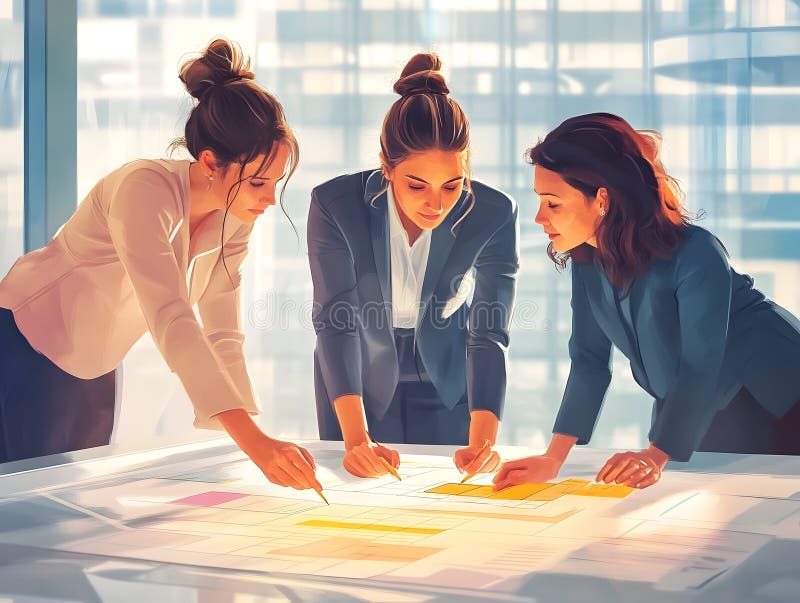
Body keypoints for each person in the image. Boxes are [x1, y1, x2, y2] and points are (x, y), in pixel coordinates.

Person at [0, 39, 321, 493]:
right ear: (210, 162)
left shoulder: (234, 214)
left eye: (275, 182)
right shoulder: (144, 189)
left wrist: (250, 438)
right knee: (25, 503)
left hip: (95, 362)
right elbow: (171, 315)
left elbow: (222, 330)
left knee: (74, 501)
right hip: (24, 341)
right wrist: (255, 444)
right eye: (257, 182)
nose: (269, 198)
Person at [493, 112, 800, 492]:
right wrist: (553, 458)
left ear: (602, 199)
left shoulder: (697, 251)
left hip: (774, 394)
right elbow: (589, 361)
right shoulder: (588, 261)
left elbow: (701, 363)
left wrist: (656, 454)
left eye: (553, 204)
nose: (539, 217)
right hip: (696, 407)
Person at [308, 53, 520, 479]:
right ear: (386, 167)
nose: (436, 204)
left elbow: (488, 330)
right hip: (356, 376)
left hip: (449, 374)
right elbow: (336, 323)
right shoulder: (336, 205)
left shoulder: (493, 212)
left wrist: (483, 441)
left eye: (452, 185)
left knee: (445, 494)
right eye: (417, 185)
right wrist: (356, 439)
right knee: (357, 492)